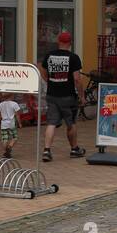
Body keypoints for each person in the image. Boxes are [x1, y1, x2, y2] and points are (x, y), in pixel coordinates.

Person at [40, 30, 85, 162]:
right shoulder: (74, 58)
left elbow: (42, 70)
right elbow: (77, 79)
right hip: (68, 96)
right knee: (71, 123)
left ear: (58, 42)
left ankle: (47, 150)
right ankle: (74, 149)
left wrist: (49, 81)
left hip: (52, 95)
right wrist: (82, 96)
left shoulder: (49, 56)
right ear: (70, 43)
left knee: (51, 123)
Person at [0, 92, 23, 159]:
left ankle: (6, 151)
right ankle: (9, 147)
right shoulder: (14, 104)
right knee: (14, 137)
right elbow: (17, 115)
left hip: (3, 124)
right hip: (11, 124)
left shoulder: (1, 104)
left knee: (4, 139)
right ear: (12, 96)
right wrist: (19, 123)